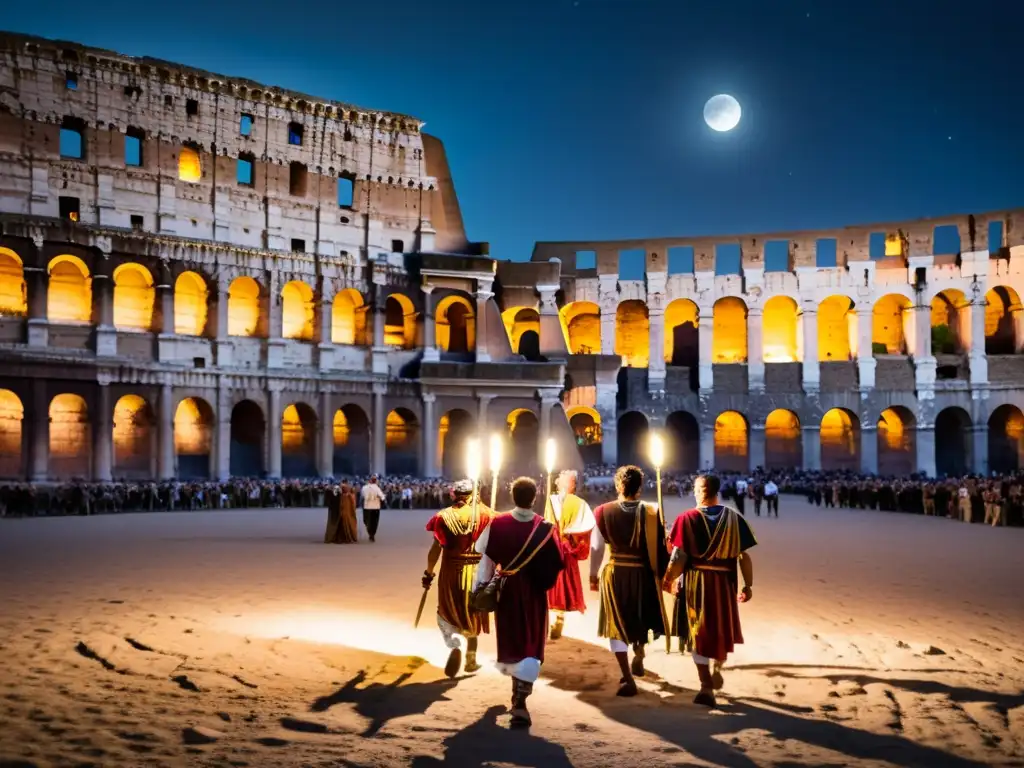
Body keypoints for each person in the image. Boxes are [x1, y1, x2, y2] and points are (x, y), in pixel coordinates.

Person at [473, 476, 565, 727]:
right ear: (534, 498)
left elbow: (486, 563)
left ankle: (518, 699)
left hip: (507, 591)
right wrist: (543, 582)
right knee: (530, 642)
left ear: (512, 496)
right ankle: (520, 701)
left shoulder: (497, 523)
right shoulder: (546, 528)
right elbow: (556, 564)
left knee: (513, 640)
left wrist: (480, 590)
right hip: (534, 592)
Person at [663, 473, 756, 708]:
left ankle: (705, 685)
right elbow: (744, 556)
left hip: (697, 583)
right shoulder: (734, 518)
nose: (694, 491)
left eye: (695, 488)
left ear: (702, 490)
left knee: (698, 632)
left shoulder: (687, 518)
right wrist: (748, 584)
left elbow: (678, 556)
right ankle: (718, 665)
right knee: (720, 627)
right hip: (725, 583)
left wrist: (668, 580)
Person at [589, 465, 669, 698]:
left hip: (615, 572)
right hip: (643, 572)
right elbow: (660, 548)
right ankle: (640, 650)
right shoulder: (653, 512)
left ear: (618, 486)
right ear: (640, 487)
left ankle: (627, 677)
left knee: (617, 625)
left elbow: (597, 547)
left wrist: (593, 575)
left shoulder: (602, 511)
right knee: (640, 616)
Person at [422, 479, 493, 678]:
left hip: (451, 571)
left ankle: (453, 643)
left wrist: (428, 573)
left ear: (455, 495)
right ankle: (471, 658)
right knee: (473, 613)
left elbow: (435, 550)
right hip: (478, 572)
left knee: (447, 611)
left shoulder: (443, 517)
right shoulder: (488, 515)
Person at [545, 469, 596, 641]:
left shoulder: (560, 502)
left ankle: (556, 618)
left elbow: (548, 526)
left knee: (555, 585)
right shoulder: (569, 502)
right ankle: (556, 618)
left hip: (556, 549)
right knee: (558, 585)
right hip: (561, 549)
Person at [360, 475, 387, 542]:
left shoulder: (364, 487)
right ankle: (372, 534)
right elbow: (382, 497)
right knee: (374, 522)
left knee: (366, 521)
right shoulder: (377, 488)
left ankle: (370, 532)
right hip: (375, 507)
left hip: (367, 507)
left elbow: (362, 496)